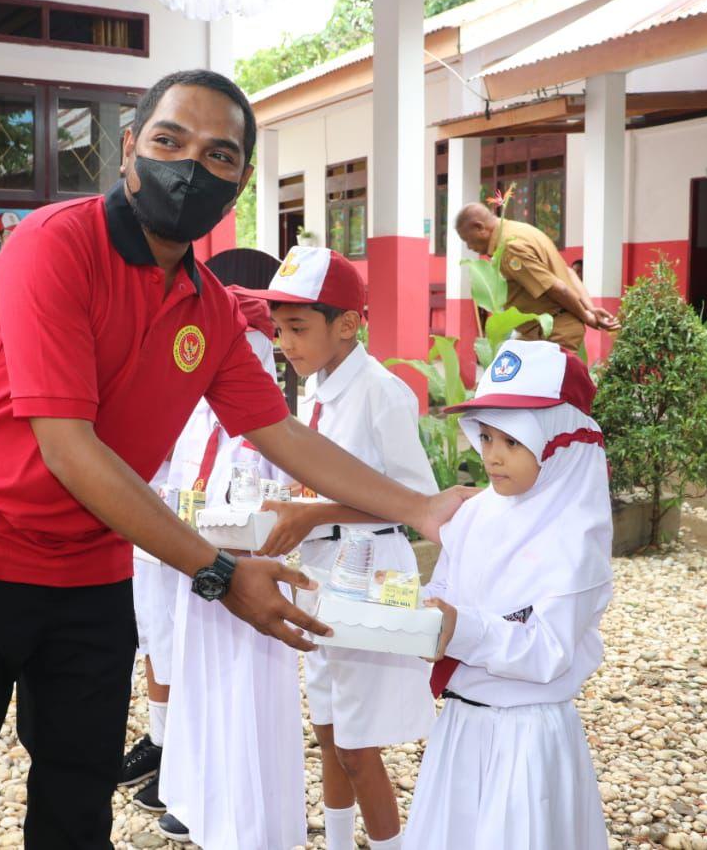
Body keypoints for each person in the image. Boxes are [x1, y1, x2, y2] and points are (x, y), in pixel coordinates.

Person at [0, 69, 472, 849]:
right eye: (169, 140)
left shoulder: (210, 310)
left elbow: (283, 436)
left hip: (89, 573)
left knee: (77, 798)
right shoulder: (55, 246)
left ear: (239, 183)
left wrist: (422, 507)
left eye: (219, 155)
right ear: (129, 148)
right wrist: (220, 575)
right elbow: (67, 446)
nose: (190, 166)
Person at [243, 246, 439, 850]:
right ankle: (335, 840)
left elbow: (418, 503)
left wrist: (316, 512)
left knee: (356, 745)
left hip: (373, 573)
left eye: (298, 329)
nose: (285, 343)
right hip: (326, 572)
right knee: (327, 729)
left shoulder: (383, 394)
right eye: (279, 329)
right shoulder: (322, 387)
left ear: (348, 325)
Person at [408, 338, 612, 849]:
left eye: (512, 442)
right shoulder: (476, 512)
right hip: (461, 725)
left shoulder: (574, 538)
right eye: (488, 437)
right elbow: (443, 591)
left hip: (526, 736)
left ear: (559, 442)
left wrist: (460, 628)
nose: (493, 455)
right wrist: (405, 615)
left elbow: (548, 651)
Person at [155, 287, 305, 848]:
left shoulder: (268, 421)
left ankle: (249, 822)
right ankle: (204, 803)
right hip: (197, 578)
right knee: (200, 690)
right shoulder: (197, 416)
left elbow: (285, 498)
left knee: (245, 702)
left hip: (246, 586)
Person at [455, 203, 618, 350]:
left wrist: (587, 316)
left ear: (479, 227)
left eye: (467, 240)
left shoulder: (510, 248)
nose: (469, 247)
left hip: (552, 333)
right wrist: (590, 308)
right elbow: (568, 272)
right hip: (538, 332)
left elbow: (557, 288)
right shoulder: (521, 229)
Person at [117, 460, 174, 800]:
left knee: (174, 634)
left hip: (182, 503)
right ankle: (160, 739)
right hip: (144, 492)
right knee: (152, 630)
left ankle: (180, 753)